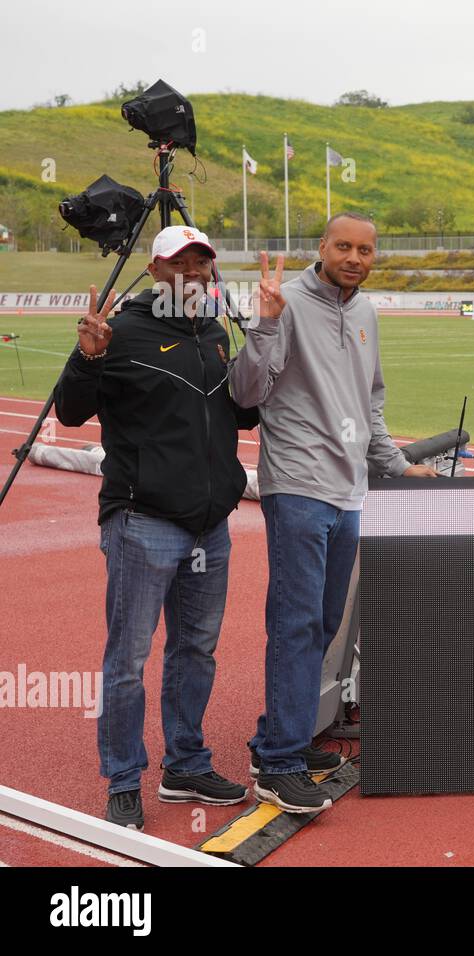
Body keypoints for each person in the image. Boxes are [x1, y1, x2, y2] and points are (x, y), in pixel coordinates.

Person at [230, 212, 438, 814]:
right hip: (297, 485)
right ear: (321, 247)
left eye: (365, 249)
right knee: (296, 623)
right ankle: (279, 765)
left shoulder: (367, 312)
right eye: (343, 246)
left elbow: (369, 401)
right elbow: (246, 392)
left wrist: (396, 464)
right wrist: (265, 328)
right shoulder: (284, 301)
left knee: (321, 624)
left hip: (350, 491)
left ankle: (278, 738)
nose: (354, 257)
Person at [53, 225, 259, 830]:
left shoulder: (215, 333)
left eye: (202, 263)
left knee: (195, 650)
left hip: (210, 527)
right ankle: (122, 779)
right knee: (128, 657)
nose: (193, 273)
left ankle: (185, 762)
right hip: (143, 523)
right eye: (181, 263)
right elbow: (68, 413)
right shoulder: (124, 329)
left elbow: (242, 416)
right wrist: (87, 356)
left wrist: (263, 348)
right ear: (154, 268)